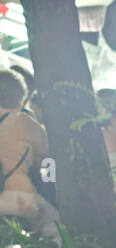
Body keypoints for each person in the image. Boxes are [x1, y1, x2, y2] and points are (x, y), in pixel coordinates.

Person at [0, 68, 60, 239]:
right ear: (22, 99)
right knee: (57, 228)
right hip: (20, 200)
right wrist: (49, 182)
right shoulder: (24, 121)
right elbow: (48, 159)